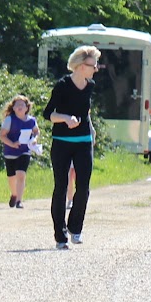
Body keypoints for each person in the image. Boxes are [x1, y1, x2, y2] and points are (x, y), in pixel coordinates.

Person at [42, 45, 99, 249]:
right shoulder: (62, 85)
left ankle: (76, 228)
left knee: (83, 187)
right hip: (62, 142)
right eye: (93, 65)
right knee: (61, 187)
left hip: (83, 142)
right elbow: (48, 114)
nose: (96, 68)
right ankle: (60, 235)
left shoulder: (90, 85)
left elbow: (87, 112)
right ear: (81, 66)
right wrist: (65, 118)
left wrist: (91, 130)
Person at [0, 94, 39, 208]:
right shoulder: (9, 120)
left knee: (21, 175)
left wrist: (34, 139)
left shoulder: (32, 121)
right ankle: (14, 194)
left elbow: (36, 131)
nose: (20, 107)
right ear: (13, 108)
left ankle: (19, 201)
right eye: (17, 105)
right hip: (10, 152)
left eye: (22, 105)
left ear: (27, 108)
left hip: (24, 151)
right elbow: (2, 136)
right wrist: (12, 144)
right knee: (11, 178)